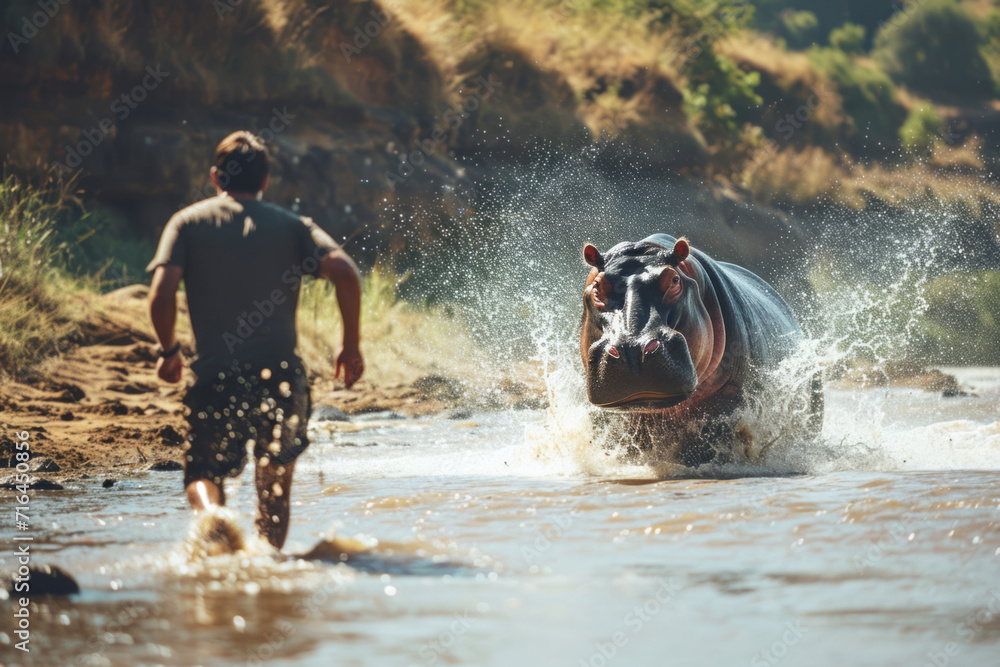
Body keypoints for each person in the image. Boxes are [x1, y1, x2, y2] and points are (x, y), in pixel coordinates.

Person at [147, 131, 363, 550]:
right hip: (280, 376)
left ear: (216, 177)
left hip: (215, 375)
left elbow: (161, 292)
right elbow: (345, 273)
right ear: (265, 180)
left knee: (203, 473)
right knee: (274, 482)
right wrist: (350, 344)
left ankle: (212, 517)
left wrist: (169, 351)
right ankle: (267, 567)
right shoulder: (293, 225)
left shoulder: (188, 223)